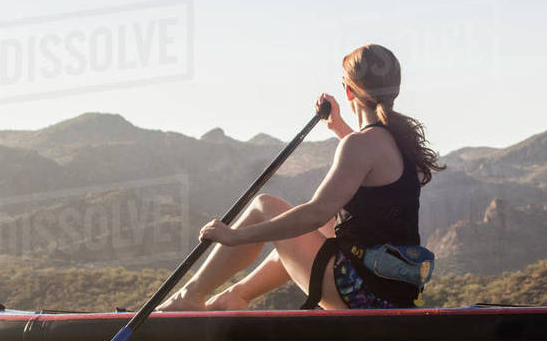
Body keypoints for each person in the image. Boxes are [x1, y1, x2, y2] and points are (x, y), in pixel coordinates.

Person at [158, 44, 442, 311]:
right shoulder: (401, 142)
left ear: (348, 92)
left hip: (360, 293)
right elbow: (374, 173)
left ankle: (190, 297)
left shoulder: (361, 145)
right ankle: (236, 296)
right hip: (390, 295)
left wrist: (235, 236)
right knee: (328, 226)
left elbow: (315, 213)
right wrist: (339, 126)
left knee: (265, 207)